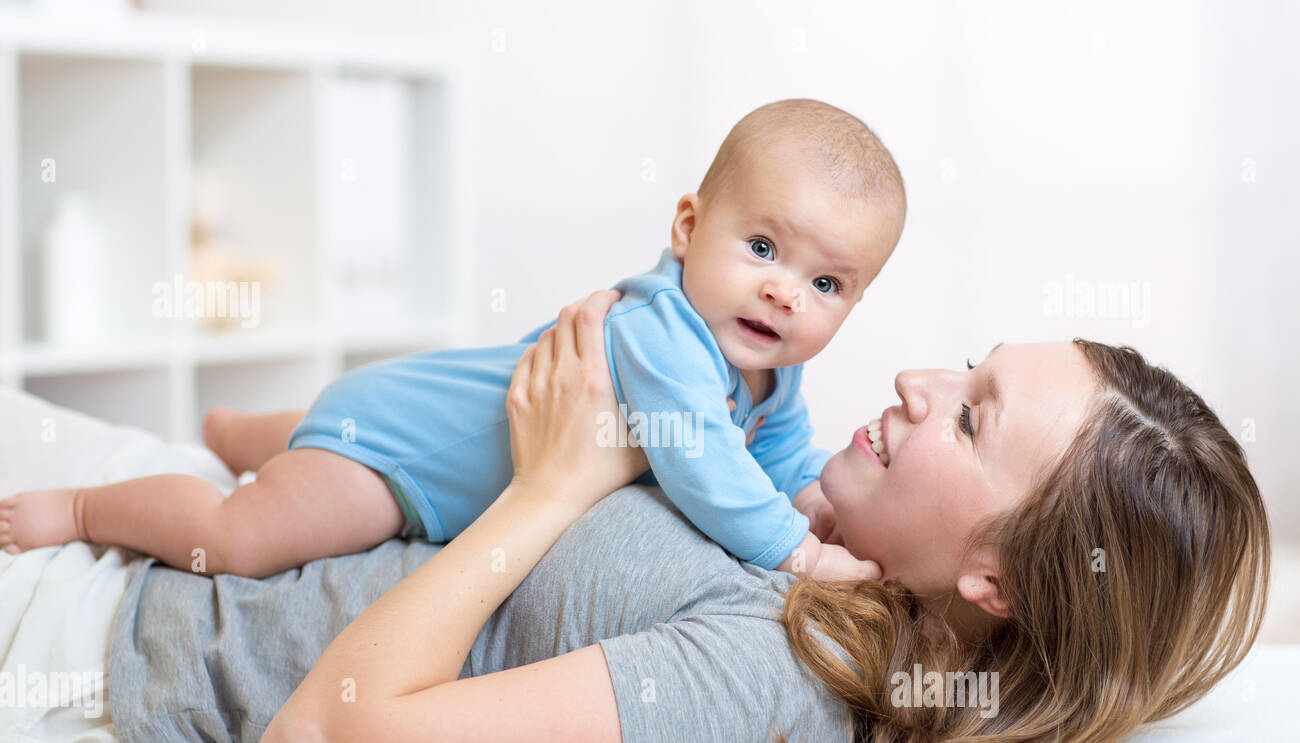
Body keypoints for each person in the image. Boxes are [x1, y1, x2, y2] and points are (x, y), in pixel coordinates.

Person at [98, 292, 1269, 743]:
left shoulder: (781, 671)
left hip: (99, 631)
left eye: (971, 415)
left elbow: (328, 736)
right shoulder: (799, 540)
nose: (919, 380)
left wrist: (553, 483)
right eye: (968, 363)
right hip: (159, 534)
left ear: (993, 582)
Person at [0, 98, 904, 582]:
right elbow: (708, 469)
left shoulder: (768, 383)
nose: (784, 293)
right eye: (761, 248)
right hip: (402, 463)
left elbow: (785, 465)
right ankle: (86, 508)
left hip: (412, 403)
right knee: (245, 539)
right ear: (686, 227)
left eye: (826, 284)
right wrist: (799, 552)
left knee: (316, 430)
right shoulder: (661, 333)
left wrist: (823, 501)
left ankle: (243, 432)